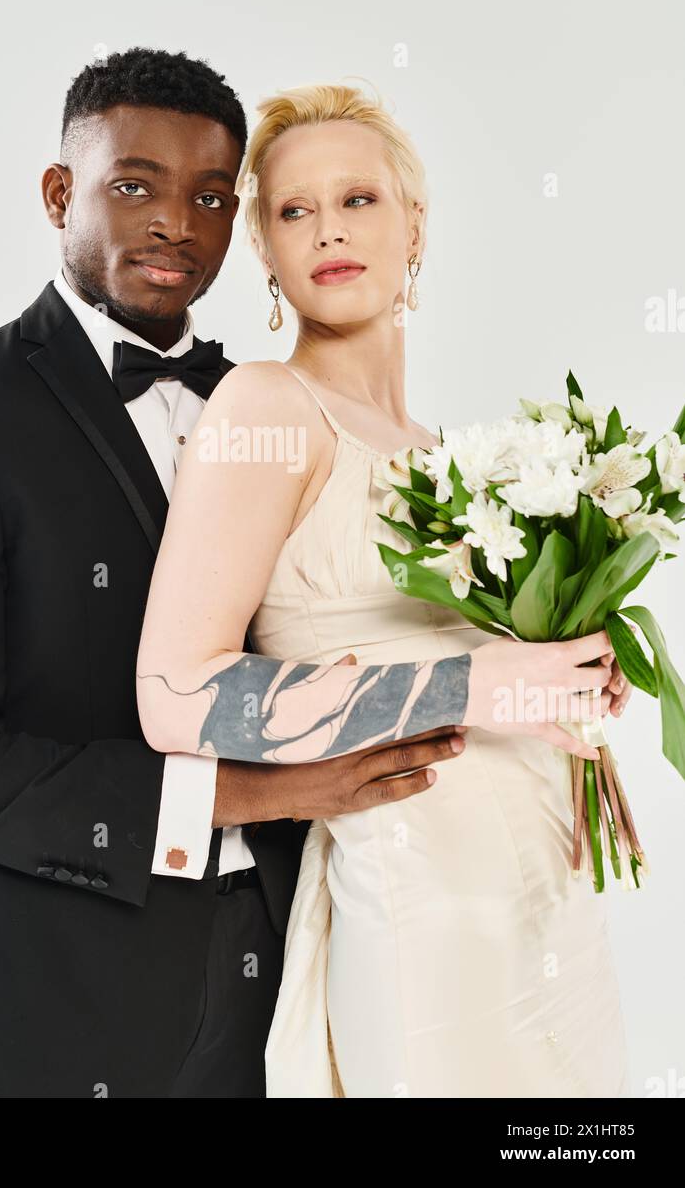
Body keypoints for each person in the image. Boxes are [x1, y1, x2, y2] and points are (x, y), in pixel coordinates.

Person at [0, 49, 468, 1098]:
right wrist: (244, 794)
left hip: (277, 988)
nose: (176, 222)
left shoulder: (274, 403)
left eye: (213, 196)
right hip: (43, 1009)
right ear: (59, 193)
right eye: (133, 184)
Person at [135, 81, 634, 1097]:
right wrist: (472, 684)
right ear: (265, 257)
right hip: (416, 890)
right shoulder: (266, 407)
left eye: (357, 198)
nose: (328, 229)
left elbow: (491, 674)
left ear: (415, 223)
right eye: (291, 209)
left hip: (541, 884)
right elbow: (173, 695)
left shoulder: (452, 456)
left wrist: (564, 677)